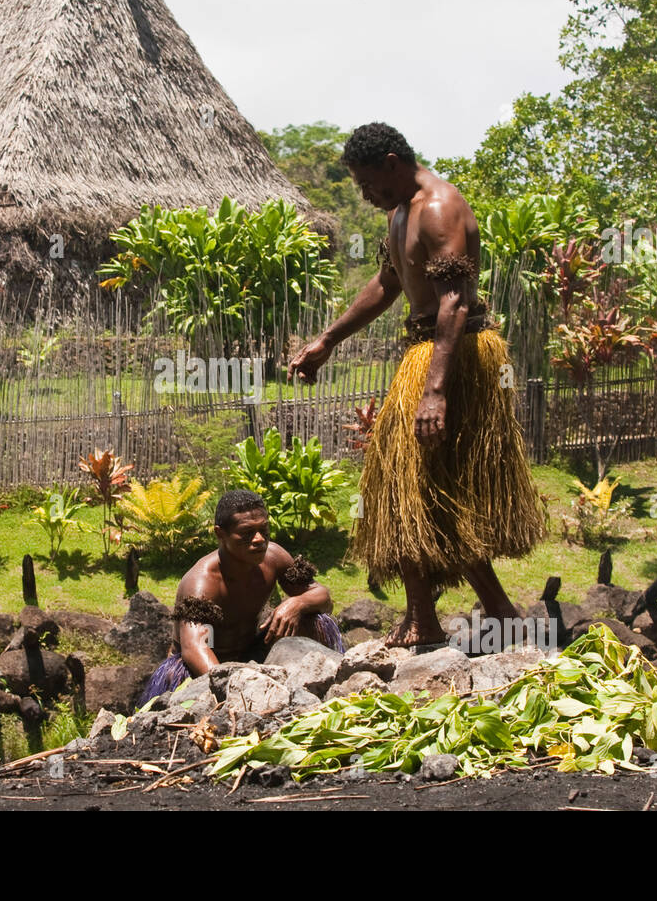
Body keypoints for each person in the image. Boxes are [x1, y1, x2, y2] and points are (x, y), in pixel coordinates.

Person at [288, 122, 544, 649]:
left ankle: (446, 615)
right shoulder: (399, 211)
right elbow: (390, 283)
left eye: (367, 183)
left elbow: (454, 302)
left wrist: (436, 391)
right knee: (407, 489)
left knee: (415, 486)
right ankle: (456, 612)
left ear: (391, 162)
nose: (365, 194)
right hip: (425, 353)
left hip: (456, 358)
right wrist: (327, 340)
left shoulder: (437, 208)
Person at [137, 490, 344, 704]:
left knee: (316, 618)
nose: (259, 539)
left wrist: (296, 603)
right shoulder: (202, 583)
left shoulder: (274, 558)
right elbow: (194, 649)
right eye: (247, 533)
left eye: (264, 529)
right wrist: (232, 691)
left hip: (250, 652)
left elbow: (323, 598)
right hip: (199, 670)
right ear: (220, 534)